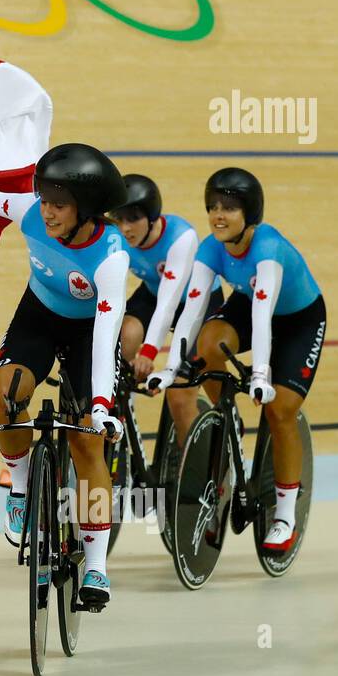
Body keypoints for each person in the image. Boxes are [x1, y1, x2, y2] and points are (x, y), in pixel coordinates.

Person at [0, 143, 128, 606]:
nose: (47, 212)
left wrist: (100, 406)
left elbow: (105, 338)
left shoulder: (111, 257)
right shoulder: (31, 214)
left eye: (58, 204)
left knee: (86, 442)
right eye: (44, 199)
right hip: (38, 317)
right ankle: (20, 488)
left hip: (88, 336)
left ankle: (97, 566)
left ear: (85, 211)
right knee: (9, 394)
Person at [147, 168, 325, 550]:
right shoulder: (211, 248)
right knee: (209, 341)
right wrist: (170, 367)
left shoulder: (267, 249)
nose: (218, 215)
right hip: (249, 303)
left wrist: (260, 376)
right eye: (212, 207)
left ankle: (284, 515)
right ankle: (227, 411)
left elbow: (264, 319)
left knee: (279, 412)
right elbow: (192, 311)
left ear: (250, 214)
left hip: (298, 321)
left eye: (228, 208)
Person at [107, 174, 223, 479]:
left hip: (196, 301)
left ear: (153, 217)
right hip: (153, 290)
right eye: (119, 219)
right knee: (122, 337)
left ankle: (196, 471)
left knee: (179, 394)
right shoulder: (118, 236)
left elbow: (170, 304)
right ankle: (116, 418)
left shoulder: (181, 238)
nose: (125, 228)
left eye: (133, 219)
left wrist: (148, 352)